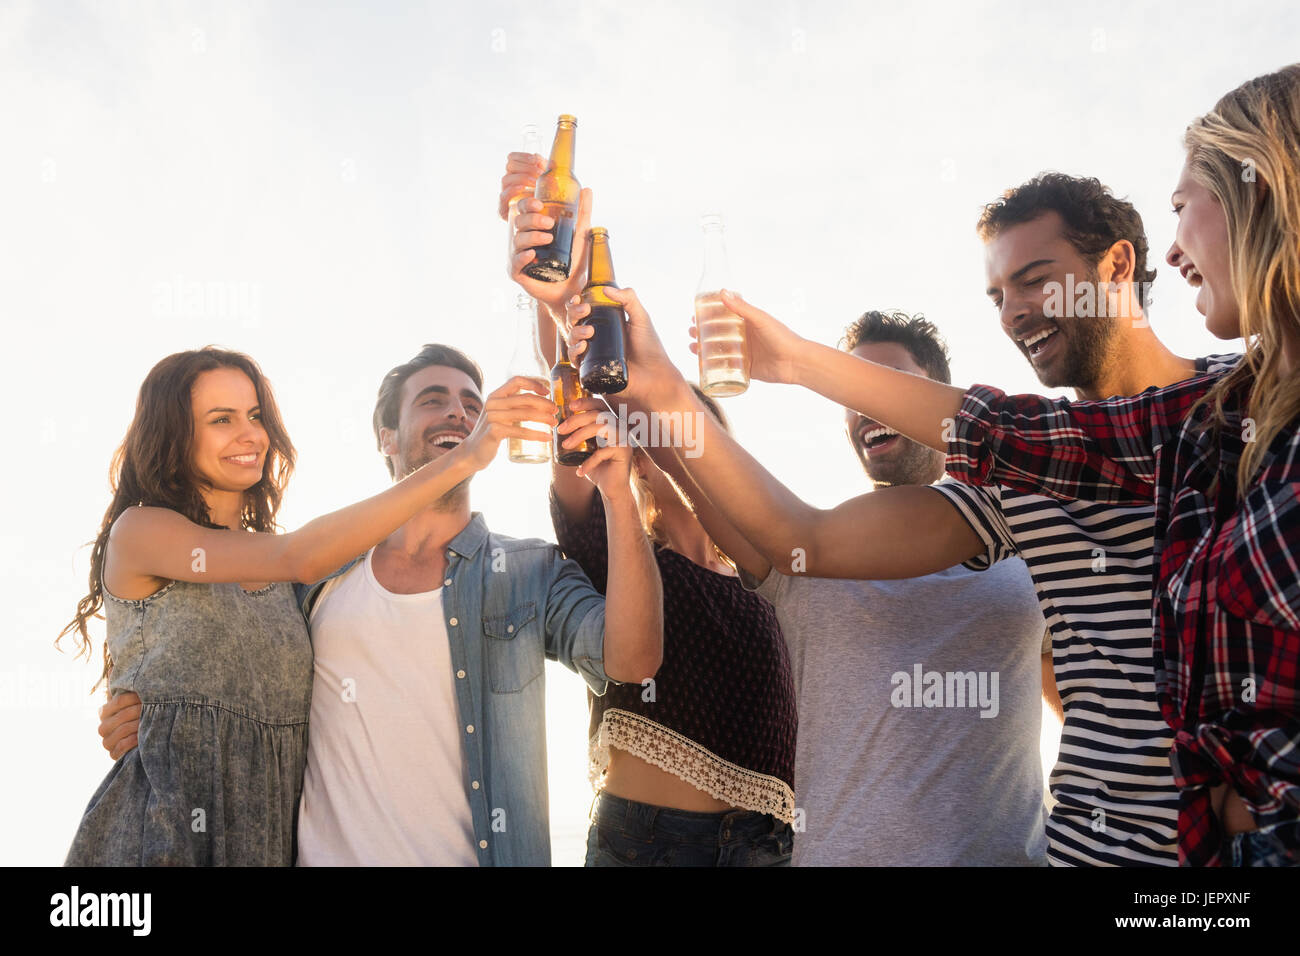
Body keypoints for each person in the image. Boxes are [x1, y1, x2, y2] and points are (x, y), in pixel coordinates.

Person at [656, 66, 1300, 866]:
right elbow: (805, 539)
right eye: (996, 296)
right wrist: (654, 393)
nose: (1015, 312)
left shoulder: (1245, 408)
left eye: (1033, 280)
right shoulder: (1017, 479)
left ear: (1116, 266)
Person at [93, 344, 665, 866]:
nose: (460, 414)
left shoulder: (528, 572)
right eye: (433, 400)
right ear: (386, 437)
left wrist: (619, 495)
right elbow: (269, 595)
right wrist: (155, 719)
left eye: (472, 403)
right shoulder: (312, 579)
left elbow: (633, 661)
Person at [565, 291, 1050, 865]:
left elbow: (1092, 694)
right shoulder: (796, 553)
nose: (864, 404)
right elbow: (682, 454)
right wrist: (579, 306)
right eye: (848, 389)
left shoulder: (1030, 537)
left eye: (882, 382)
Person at [502, 164, 797, 866]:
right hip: (652, 844)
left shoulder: (761, 577)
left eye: (700, 439)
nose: (676, 450)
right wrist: (561, 300)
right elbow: (580, 394)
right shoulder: (616, 546)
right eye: (654, 435)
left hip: (767, 849)